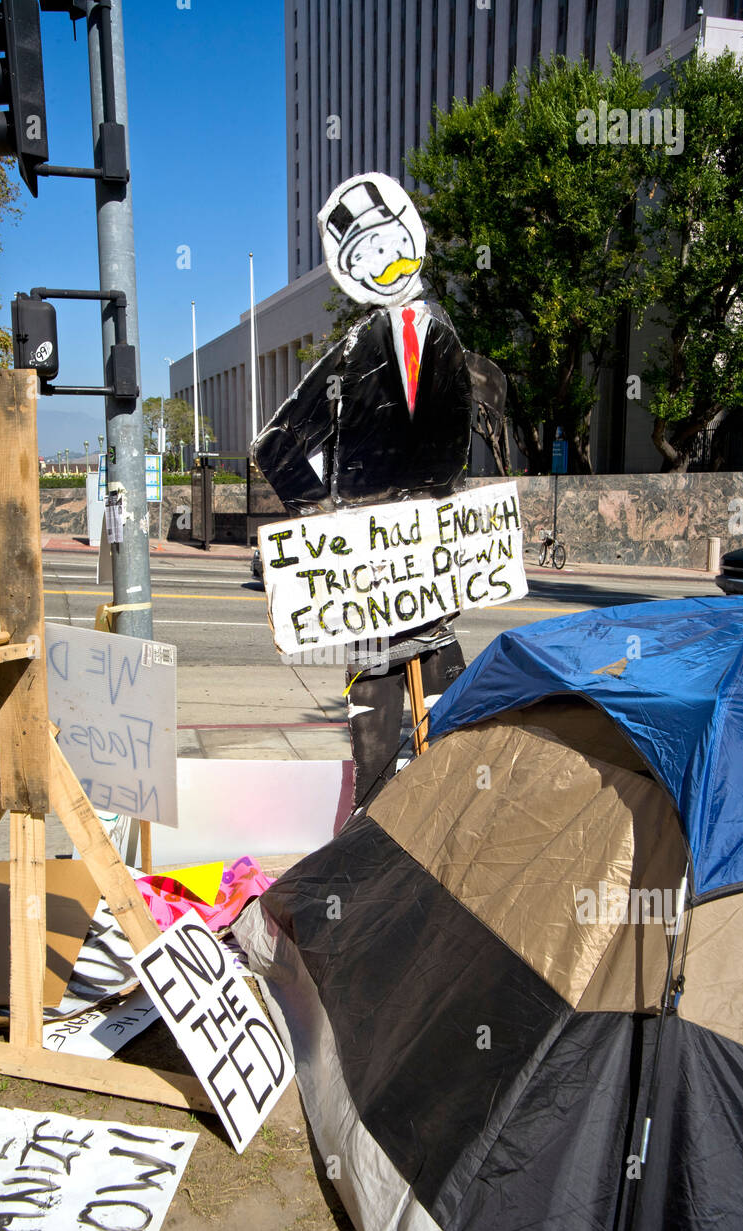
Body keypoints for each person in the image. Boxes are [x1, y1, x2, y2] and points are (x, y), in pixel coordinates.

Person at [252, 172, 506, 806]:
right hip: (373, 572)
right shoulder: (352, 349)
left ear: (412, 236)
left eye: (390, 242)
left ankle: (438, 832)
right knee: (376, 714)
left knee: (451, 714)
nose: (385, 262)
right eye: (364, 255)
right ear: (348, 271)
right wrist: (325, 521)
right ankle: (371, 837)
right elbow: (274, 444)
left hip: (435, 567)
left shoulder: (446, 337)